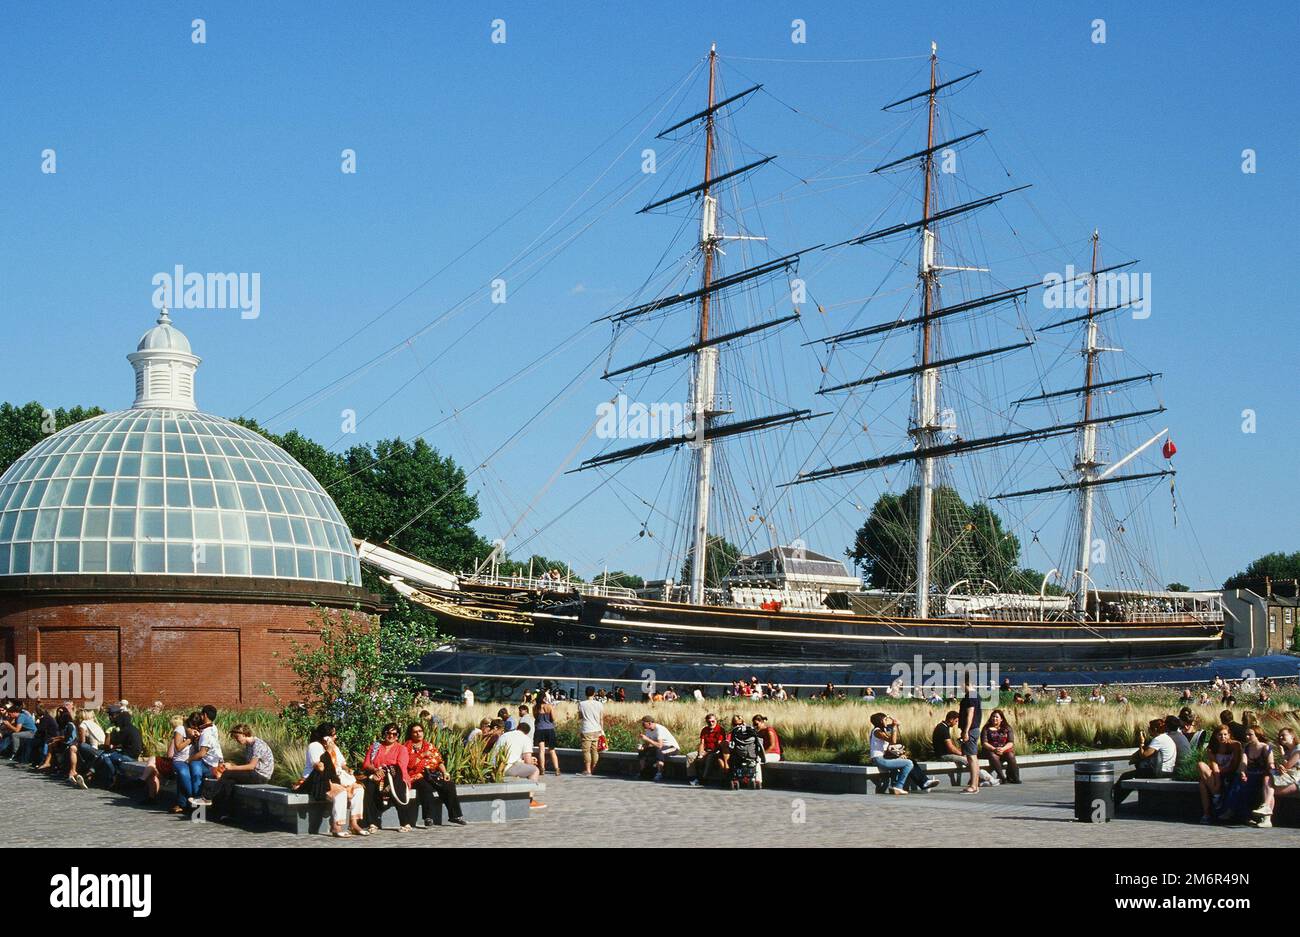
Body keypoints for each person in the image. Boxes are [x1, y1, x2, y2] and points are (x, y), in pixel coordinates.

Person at [296, 723, 367, 838]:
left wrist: (349, 770)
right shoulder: (314, 746)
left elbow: (342, 763)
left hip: (337, 778)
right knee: (341, 793)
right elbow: (320, 767)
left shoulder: (334, 746)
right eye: (333, 734)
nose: (336, 737)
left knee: (358, 789)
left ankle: (354, 823)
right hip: (320, 779)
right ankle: (336, 826)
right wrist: (328, 751)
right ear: (326, 737)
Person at [404, 723, 467, 827]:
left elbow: (439, 761)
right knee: (426, 788)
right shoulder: (406, 747)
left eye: (420, 731)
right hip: (416, 775)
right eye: (415, 732)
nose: (418, 733)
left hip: (431, 774)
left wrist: (445, 772)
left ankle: (455, 816)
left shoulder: (429, 746)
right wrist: (423, 755)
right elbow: (408, 764)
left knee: (449, 785)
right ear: (411, 734)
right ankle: (429, 818)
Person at [208, 724, 275, 821]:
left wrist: (231, 768)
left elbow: (251, 766)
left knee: (227, 774)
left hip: (261, 776)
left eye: (237, 737)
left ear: (244, 734)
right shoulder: (249, 745)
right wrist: (232, 766)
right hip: (253, 773)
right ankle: (226, 813)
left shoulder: (257, 745)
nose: (236, 740)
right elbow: (247, 767)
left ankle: (208, 797)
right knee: (229, 782)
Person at [362, 723, 417, 831]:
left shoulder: (401, 749)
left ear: (397, 736)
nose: (391, 736)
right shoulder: (375, 747)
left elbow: (401, 767)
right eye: (388, 733)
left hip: (396, 776)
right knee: (369, 787)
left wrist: (387, 777)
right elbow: (366, 764)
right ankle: (372, 823)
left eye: (394, 734)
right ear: (384, 733)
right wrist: (376, 770)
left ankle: (405, 823)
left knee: (398, 787)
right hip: (377, 775)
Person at [1113, 718, 1179, 806]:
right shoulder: (1166, 738)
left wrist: (1141, 743)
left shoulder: (1158, 740)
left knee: (1126, 776)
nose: (1148, 730)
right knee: (1132, 774)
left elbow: (1144, 755)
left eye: (1149, 728)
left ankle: (1113, 802)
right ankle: (1115, 800)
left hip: (1159, 772)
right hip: (1168, 771)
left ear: (1155, 729)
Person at [489, 721, 547, 809]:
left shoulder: (505, 735)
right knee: (535, 770)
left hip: (494, 767)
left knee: (523, 768)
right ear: (527, 732)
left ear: (517, 728)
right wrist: (532, 761)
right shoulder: (525, 738)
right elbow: (528, 761)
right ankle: (529, 799)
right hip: (507, 768)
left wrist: (525, 761)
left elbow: (510, 756)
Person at [1253, 726, 1299, 828]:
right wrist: (1282, 756)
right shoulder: (1289, 751)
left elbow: (1287, 766)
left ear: (1292, 736)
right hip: (1290, 778)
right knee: (1268, 783)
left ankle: (1267, 816)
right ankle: (1266, 814)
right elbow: (1285, 766)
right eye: (1280, 736)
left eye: (1284, 735)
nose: (1281, 738)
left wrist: (1282, 766)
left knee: (1269, 786)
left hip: (1297, 780)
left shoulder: (1298, 749)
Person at [1196, 724, 1243, 824]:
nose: (1223, 737)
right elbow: (1214, 764)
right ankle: (1216, 796)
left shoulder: (1235, 745)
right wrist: (1217, 782)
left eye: (1225, 734)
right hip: (1216, 773)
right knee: (1200, 765)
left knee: (1202, 784)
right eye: (1220, 735)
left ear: (1229, 735)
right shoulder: (1211, 747)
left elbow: (1234, 766)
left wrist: (1218, 774)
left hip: (1229, 773)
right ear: (1216, 736)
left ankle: (1207, 813)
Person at [92, 706, 143, 790]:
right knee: (108, 756)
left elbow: (112, 744)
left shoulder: (125, 730)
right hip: (132, 754)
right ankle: (113, 778)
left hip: (129, 756)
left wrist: (109, 733)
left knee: (106, 757)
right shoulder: (134, 729)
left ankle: (113, 779)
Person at [183, 705, 223, 811]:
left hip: (209, 763)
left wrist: (188, 760)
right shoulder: (212, 727)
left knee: (195, 772)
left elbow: (201, 753)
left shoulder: (206, 733)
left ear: (204, 715)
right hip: (215, 761)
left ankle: (196, 801)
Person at [868, 713, 911, 795]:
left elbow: (889, 730)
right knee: (909, 763)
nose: (886, 721)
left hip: (882, 758)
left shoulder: (881, 730)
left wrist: (894, 724)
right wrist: (894, 726)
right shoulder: (877, 731)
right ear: (880, 721)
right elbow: (893, 741)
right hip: (879, 759)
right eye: (885, 720)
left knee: (898, 763)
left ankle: (893, 786)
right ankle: (898, 786)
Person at [686, 713, 729, 787]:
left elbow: (719, 745)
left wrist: (707, 753)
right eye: (709, 722)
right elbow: (702, 743)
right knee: (690, 756)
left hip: (715, 751)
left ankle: (703, 778)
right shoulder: (704, 730)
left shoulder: (720, 730)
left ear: (716, 721)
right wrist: (700, 754)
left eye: (713, 721)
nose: (711, 723)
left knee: (709, 758)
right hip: (705, 750)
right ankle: (692, 777)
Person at [980, 709, 1020, 784]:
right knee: (993, 755)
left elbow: (1011, 742)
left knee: (1011, 755)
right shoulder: (986, 728)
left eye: (996, 717)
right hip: (990, 750)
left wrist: (1003, 749)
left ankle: (1015, 777)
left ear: (1001, 719)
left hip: (1004, 749)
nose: (994, 718)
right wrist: (994, 749)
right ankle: (1002, 777)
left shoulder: (1007, 728)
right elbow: (984, 743)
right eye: (993, 717)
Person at [636, 716, 680, 782]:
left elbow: (659, 745)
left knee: (659, 751)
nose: (642, 725)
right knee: (642, 751)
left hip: (671, 747)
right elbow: (650, 744)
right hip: (659, 747)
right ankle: (643, 771)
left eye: (643, 723)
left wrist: (647, 739)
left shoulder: (659, 729)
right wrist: (642, 746)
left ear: (649, 723)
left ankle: (659, 773)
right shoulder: (648, 730)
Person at [727, 715, 764, 790]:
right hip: (752, 755)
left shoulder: (734, 732)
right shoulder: (750, 731)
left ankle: (734, 779)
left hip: (739, 755)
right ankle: (757, 780)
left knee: (732, 761)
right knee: (756, 763)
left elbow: (730, 744)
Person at [959, 677, 983, 794]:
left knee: (971, 757)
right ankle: (975, 784)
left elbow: (970, 713)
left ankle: (973, 785)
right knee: (973, 757)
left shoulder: (970, 696)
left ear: (966, 683)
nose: (960, 686)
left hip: (971, 729)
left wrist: (965, 730)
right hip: (974, 729)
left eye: (961, 684)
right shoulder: (976, 695)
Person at [577, 686, 604, 776]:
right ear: (594, 693)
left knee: (586, 751)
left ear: (585, 693)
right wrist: (602, 730)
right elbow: (601, 719)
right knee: (595, 750)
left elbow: (580, 717)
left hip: (586, 729)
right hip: (597, 729)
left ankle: (588, 770)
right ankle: (593, 768)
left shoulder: (581, 704)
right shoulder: (599, 704)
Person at [533, 697, 560, 776]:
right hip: (549, 729)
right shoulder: (549, 706)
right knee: (552, 750)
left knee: (541, 750)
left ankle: (542, 769)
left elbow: (535, 717)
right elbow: (553, 718)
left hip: (540, 729)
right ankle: (557, 769)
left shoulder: (535, 707)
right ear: (544, 698)